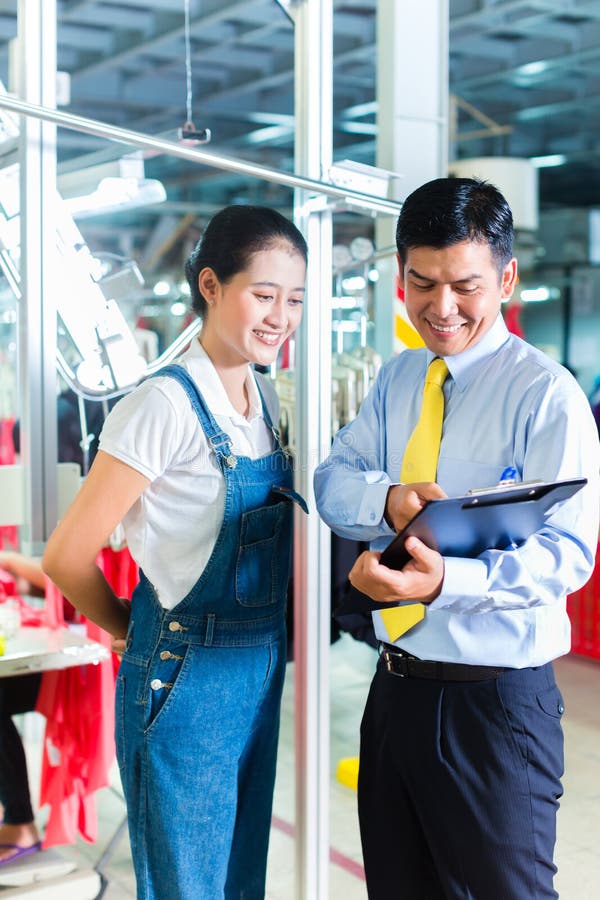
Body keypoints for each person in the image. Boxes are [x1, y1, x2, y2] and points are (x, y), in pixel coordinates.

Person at [314, 177, 600, 900]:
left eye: (466, 286)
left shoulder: (546, 396)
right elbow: (332, 479)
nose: (441, 308)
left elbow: (565, 555)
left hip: (496, 706)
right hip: (396, 690)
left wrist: (446, 583)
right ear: (400, 275)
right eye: (422, 283)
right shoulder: (400, 378)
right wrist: (390, 497)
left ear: (506, 278)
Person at [42, 205, 308, 900]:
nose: (281, 315)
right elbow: (67, 555)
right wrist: (138, 634)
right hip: (185, 678)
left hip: (257, 668)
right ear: (213, 287)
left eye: (295, 299)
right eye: (264, 294)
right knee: (188, 887)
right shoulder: (163, 404)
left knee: (239, 877)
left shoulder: (264, 398)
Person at [0, 552, 45, 864]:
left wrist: (7, 558)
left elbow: (62, 573)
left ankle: (21, 823)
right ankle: (17, 818)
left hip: (102, 656)